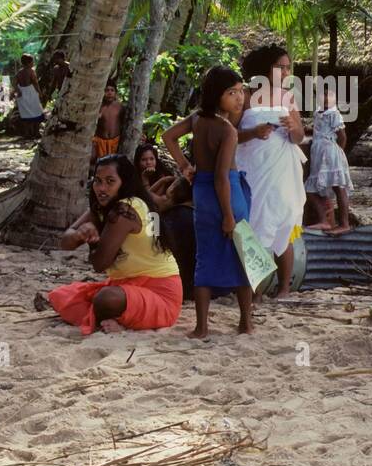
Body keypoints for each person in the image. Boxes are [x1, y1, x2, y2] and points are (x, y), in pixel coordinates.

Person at [41, 154, 183, 336]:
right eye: (98, 181)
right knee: (61, 296)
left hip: (160, 294)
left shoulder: (125, 209)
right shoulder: (104, 206)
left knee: (105, 299)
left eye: (110, 181)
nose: (102, 188)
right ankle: (115, 317)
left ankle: (117, 320)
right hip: (127, 284)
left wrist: (92, 240)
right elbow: (65, 242)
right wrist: (79, 234)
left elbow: (100, 264)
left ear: (124, 183)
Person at [162, 66, 254, 337]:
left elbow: (168, 137)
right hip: (227, 194)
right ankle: (245, 323)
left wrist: (184, 165)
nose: (239, 98)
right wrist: (227, 214)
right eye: (231, 93)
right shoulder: (227, 130)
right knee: (242, 256)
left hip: (200, 192)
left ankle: (201, 327)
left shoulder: (198, 119)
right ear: (216, 95)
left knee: (205, 258)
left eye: (240, 91)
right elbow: (222, 179)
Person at [234, 44, 306, 300]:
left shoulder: (289, 98)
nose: (286, 72)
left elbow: (299, 137)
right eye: (280, 67)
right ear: (265, 69)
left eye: (288, 67)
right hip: (252, 167)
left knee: (282, 223)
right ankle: (252, 291)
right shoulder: (244, 95)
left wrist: (292, 127)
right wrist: (254, 132)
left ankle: (284, 288)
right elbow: (231, 135)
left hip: (282, 169)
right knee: (253, 222)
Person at [305, 82, 355, 234]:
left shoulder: (334, 114)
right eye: (323, 94)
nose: (326, 98)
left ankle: (344, 223)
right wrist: (310, 129)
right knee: (310, 189)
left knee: (338, 187)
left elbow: (342, 136)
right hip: (319, 155)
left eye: (330, 95)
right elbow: (320, 129)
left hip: (330, 153)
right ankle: (324, 221)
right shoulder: (319, 112)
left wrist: (338, 152)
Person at [149, 172, 195, 305]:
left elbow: (144, 198)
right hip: (193, 286)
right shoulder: (195, 217)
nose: (158, 198)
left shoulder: (166, 219)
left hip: (173, 286)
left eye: (164, 195)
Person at [14, 53, 45, 138]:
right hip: (31, 92)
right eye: (32, 62)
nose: (33, 63)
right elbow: (35, 83)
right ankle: (36, 132)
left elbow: (14, 84)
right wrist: (40, 93)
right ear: (28, 63)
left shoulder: (19, 73)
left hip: (22, 94)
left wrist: (18, 91)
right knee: (37, 112)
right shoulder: (31, 71)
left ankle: (27, 133)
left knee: (26, 114)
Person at [93, 80, 123, 163]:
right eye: (106, 90)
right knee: (100, 162)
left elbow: (125, 122)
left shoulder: (119, 107)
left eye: (112, 90)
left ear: (116, 93)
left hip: (115, 141)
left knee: (113, 163)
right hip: (100, 140)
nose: (109, 93)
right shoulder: (99, 106)